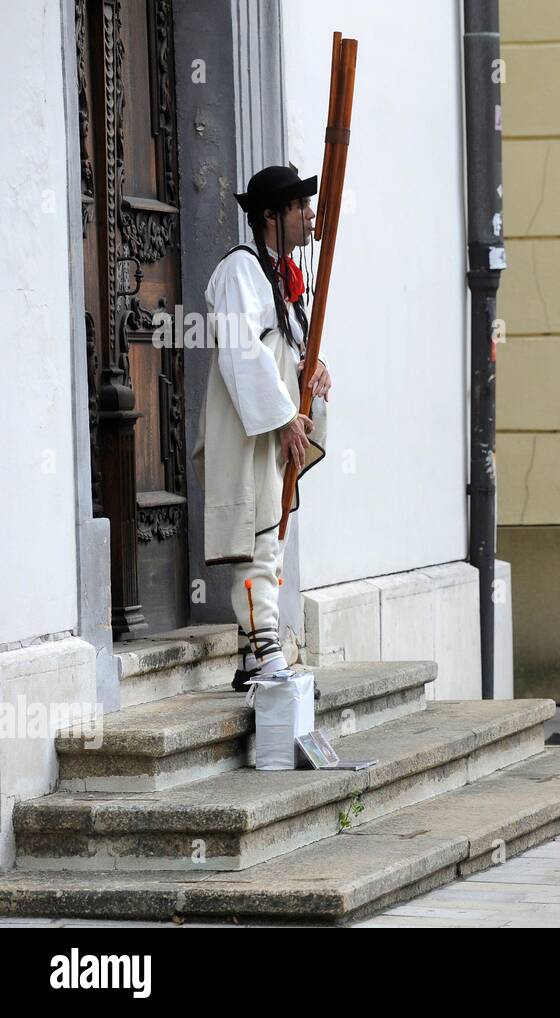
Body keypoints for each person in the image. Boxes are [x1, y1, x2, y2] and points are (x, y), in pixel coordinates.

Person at [192, 165, 330, 691]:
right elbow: (242, 353)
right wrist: (281, 417)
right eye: (301, 207)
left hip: (274, 421)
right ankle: (264, 645)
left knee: (274, 527)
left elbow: (287, 348)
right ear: (271, 216)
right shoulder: (240, 271)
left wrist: (312, 370)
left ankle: (258, 654)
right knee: (258, 533)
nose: (311, 215)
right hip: (252, 426)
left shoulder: (280, 274)